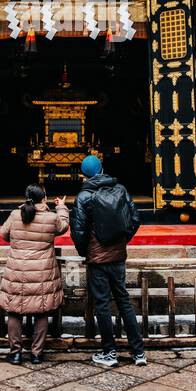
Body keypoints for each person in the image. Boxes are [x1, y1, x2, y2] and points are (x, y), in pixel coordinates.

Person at [69, 155, 146, 367]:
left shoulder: (84, 196)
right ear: (102, 168)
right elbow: (135, 218)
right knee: (123, 300)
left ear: (84, 174)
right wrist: (122, 241)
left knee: (102, 304)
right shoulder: (120, 189)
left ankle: (109, 352)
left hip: (97, 258)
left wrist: (86, 251)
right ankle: (138, 352)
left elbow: (79, 230)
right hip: (118, 255)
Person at [0, 183, 68, 365]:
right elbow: (63, 227)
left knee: (14, 311)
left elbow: (4, 234)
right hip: (42, 272)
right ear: (44, 198)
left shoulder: (15, 215)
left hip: (18, 270)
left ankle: (16, 352)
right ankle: (36, 353)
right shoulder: (51, 218)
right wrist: (61, 207)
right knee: (41, 311)